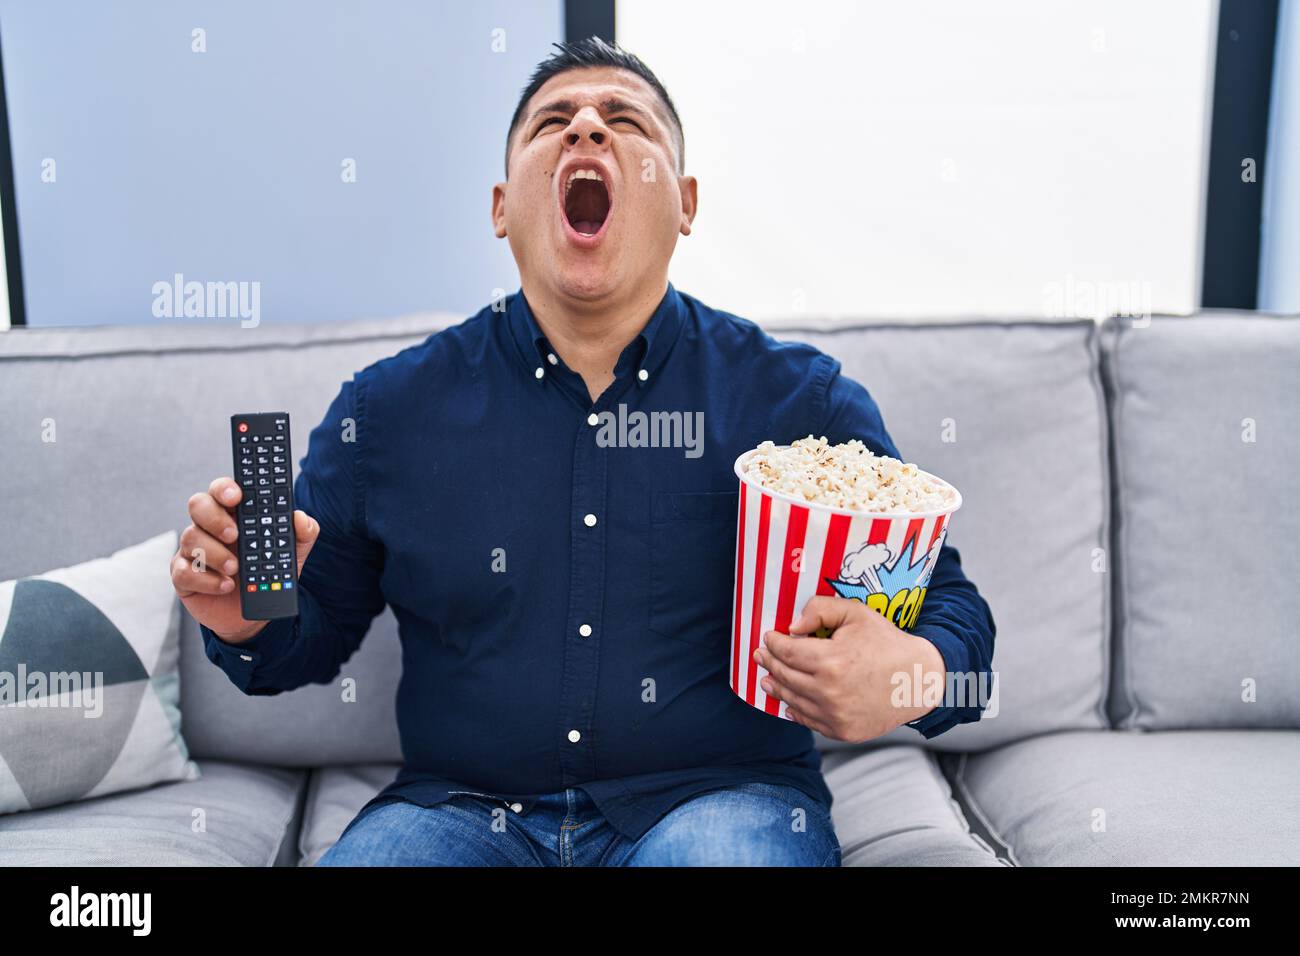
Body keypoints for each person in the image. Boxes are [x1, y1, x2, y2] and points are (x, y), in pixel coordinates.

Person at [170, 37, 995, 867]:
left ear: (686, 202)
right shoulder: (384, 412)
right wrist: (248, 619)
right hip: (460, 810)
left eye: (625, 121)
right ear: (501, 207)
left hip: (717, 801)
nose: (587, 128)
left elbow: (957, 624)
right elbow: (305, 640)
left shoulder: (799, 405)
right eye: (553, 122)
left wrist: (902, 677)